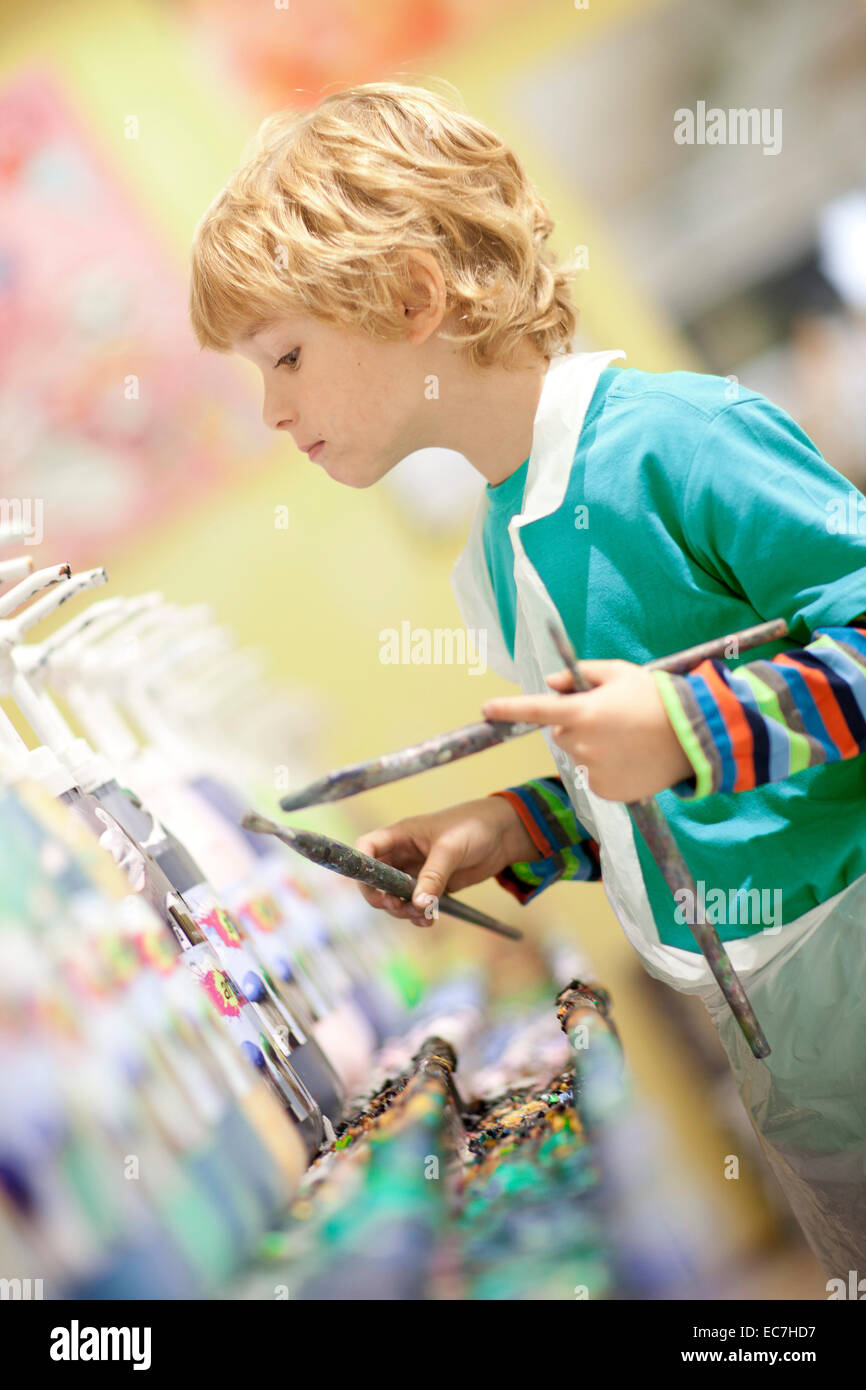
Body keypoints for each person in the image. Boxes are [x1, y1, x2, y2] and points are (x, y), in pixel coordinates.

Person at [188, 80, 866, 1279]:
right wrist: (518, 821)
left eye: (286, 355)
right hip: (771, 1044)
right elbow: (658, 798)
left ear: (408, 297)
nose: (272, 408)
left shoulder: (676, 437)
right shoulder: (489, 563)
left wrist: (687, 723)